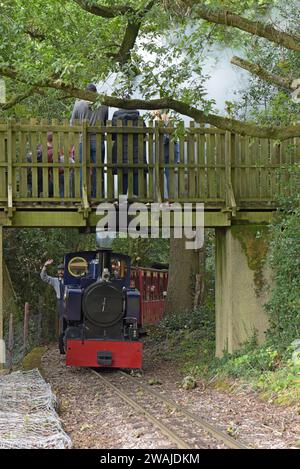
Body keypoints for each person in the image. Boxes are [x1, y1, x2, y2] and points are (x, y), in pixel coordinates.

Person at [70, 83, 109, 198]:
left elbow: (72, 122)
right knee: (99, 168)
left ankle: (84, 194)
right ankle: (99, 195)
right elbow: (105, 123)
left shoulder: (78, 105)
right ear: (96, 93)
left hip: (83, 140)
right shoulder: (104, 105)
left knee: (84, 168)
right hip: (98, 140)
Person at [112, 105, 147, 197]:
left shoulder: (116, 118)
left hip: (121, 152)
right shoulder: (139, 118)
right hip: (136, 151)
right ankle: (135, 201)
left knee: (122, 174)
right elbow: (144, 134)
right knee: (136, 174)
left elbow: (112, 135)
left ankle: (122, 200)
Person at [40, 259, 66, 354]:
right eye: (59, 270)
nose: (60, 272)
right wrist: (45, 266)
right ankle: (61, 348)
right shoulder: (55, 281)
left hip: (70, 303)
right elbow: (44, 277)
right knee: (62, 324)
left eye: (62, 270)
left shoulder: (70, 280)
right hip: (60, 303)